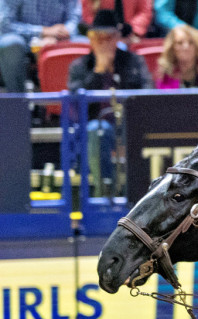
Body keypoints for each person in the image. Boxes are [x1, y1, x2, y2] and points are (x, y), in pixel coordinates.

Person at [67, 10, 151, 196]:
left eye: (109, 37)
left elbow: (147, 96)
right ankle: (105, 194)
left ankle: (138, 197)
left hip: (131, 127)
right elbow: (75, 107)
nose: (103, 43)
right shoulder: (79, 66)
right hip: (95, 130)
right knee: (98, 130)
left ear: (117, 38)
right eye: (98, 37)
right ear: (90, 39)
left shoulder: (134, 62)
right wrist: (98, 71)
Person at [0, 0, 81, 93]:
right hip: (24, 42)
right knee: (10, 44)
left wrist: (62, 34)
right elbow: (5, 24)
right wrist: (42, 32)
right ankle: (17, 102)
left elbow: (74, 19)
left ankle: (71, 102)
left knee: (84, 44)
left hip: (59, 42)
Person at [82, 0, 154, 40]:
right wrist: (108, 34)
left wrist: (131, 31)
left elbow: (144, 12)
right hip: (101, 37)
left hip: (132, 35)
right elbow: (88, 16)